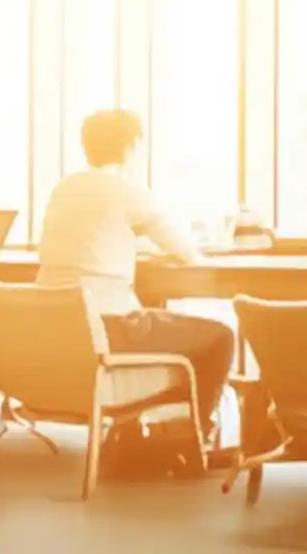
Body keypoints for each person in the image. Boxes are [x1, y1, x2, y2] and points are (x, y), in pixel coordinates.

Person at [35, 109, 234, 452]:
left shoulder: (63, 189)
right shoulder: (128, 191)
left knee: (154, 315)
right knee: (219, 337)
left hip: (60, 328)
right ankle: (197, 440)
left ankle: (147, 434)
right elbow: (185, 250)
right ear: (131, 146)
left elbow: (95, 238)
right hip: (110, 326)